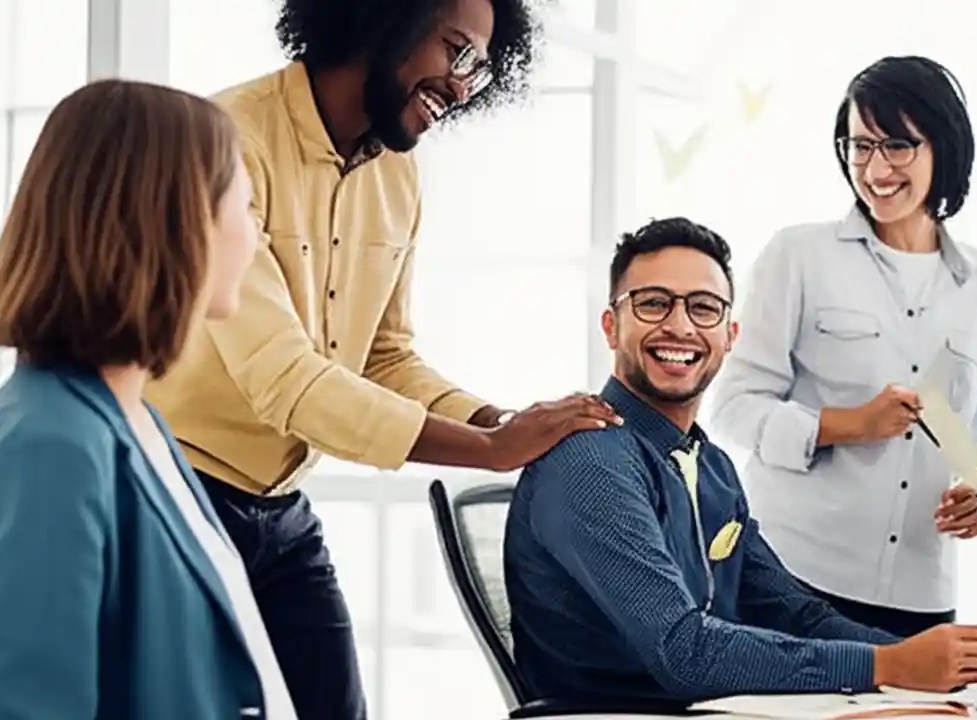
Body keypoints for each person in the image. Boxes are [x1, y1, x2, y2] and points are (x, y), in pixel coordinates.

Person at [143, 1, 620, 718]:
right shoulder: (224, 142)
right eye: (455, 51)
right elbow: (286, 379)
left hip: (281, 508)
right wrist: (490, 449)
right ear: (379, 18)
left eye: (480, 69)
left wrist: (506, 420)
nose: (462, 86)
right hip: (178, 495)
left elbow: (385, 356)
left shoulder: (398, 177)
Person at [504, 217, 977, 705]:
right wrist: (887, 666)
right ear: (611, 326)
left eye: (703, 308)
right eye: (654, 304)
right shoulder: (591, 457)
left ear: (730, 335)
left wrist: (918, 656)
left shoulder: (710, 465)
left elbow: (792, 612)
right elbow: (685, 652)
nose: (680, 326)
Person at [0, 80, 291, 718]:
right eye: (247, 209)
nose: (255, 238)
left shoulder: (137, 422)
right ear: (179, 222)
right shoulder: (48, 444)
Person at [708, 56, 977, 638]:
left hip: (921, 594)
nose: (875, 169)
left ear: (942, 148)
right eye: (859, 147)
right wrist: (848, 423)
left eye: (897, 146)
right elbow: (735, 406)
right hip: (790, 577)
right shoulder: (798, 255)